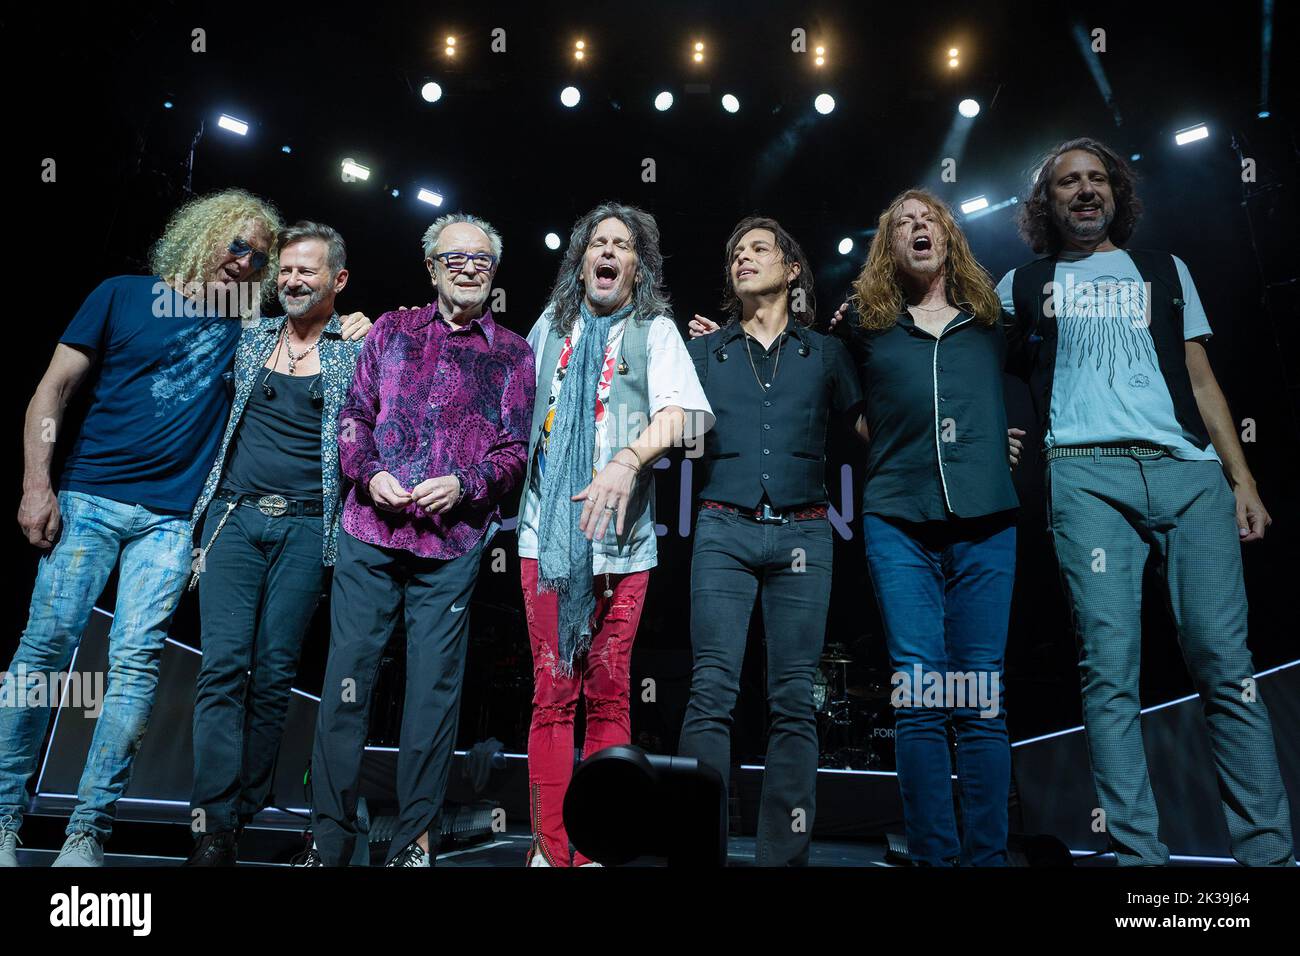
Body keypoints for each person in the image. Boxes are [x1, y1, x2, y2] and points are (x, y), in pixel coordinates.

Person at [998, 137, 1294, 866]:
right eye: (1068, 181)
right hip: (1085, 476)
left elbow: (1200, 380)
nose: (1085, 190)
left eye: (1097, 178)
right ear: (1048, 202)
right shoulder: (1021, 284)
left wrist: (1243, 480)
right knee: (1109, 668)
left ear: (1117, 194)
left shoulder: (1166, 270)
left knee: (1227, 666)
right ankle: (1139, 864)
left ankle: (1268, 857)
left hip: (1188, 476)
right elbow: (981, 373)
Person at [303, 213, 534, 867]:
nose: (468, 267)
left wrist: (465, 485)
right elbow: (353, 415)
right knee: (348, 682)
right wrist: (368, 473)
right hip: (370, 533)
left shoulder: (514, 352)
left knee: (433, 694)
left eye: (481, 259)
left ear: (494, 273)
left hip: (452, 544)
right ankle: (329, 841)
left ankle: (413, 842)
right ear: (430, 267)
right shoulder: (390, 330)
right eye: (454, 257)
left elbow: (516, 452)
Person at [516, 202, 712, 867]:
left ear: (637, 267)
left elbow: (690, 418)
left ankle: (598, 843)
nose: (607, 252)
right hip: (547, 541)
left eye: (621, 245)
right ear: (581, 263)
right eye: (596, 243)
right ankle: (549, 847)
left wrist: (629, 462)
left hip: (623, 551)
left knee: (606, 693)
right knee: (552, 696)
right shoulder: (549, 327)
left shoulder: (654, 331)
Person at [678, 216, 863, 866]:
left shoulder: (828, 355)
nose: (743, 258)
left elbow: (878, 429)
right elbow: (656, 417)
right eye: (735, 253)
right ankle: (698, 852)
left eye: (759, 249)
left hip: (805, 533)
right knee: (711, 691)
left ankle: (783, 859)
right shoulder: (704, 352)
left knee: (793, 700)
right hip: (723, 526)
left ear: (791, 270)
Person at [185, 221, 365, 865]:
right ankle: (212, 826)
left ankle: (244, 806)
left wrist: (373, 326)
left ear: (336, 280)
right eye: (285, 269)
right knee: (222, 667)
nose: (291, 280)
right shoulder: (249, 336)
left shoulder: (357, 350)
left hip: (308, 525)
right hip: (233, 519)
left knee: (274, 674)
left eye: (306, 270)